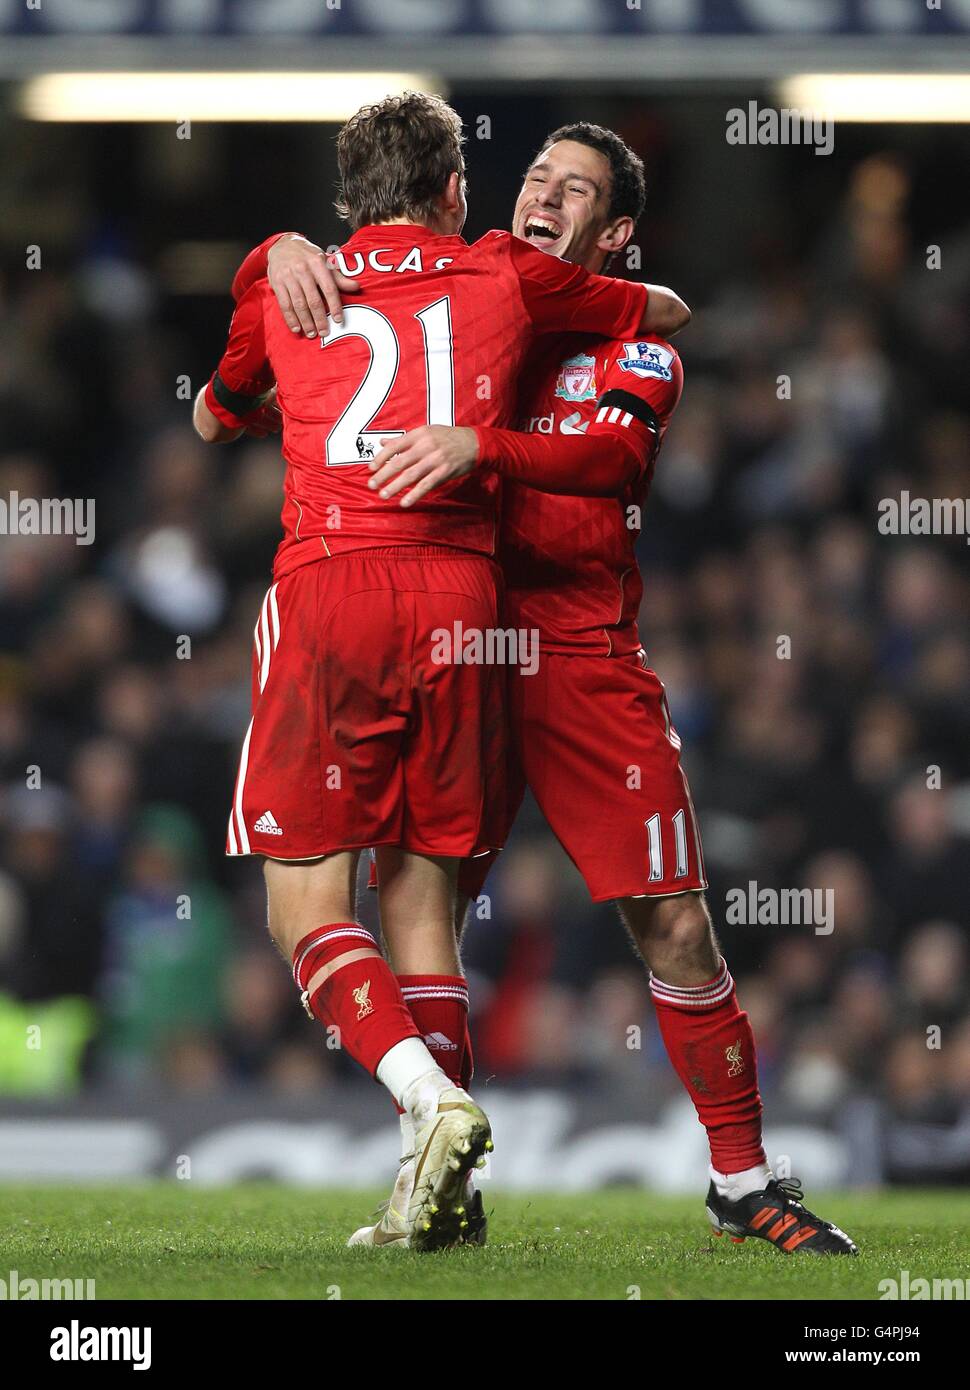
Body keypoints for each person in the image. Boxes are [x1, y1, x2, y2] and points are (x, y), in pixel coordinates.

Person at [249, 120, 858, 1256]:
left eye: (571, 189)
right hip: (453, 637)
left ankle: (740, 1178)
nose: (538, 197)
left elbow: (611, 460)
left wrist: (482, 445)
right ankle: (442, 1184)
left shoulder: (630, 347)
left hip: (579, 663)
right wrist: (284, 241)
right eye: (531, 176)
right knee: (419, 911)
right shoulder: (471, 287)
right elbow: (330, 297)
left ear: (613, 230)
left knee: (671, 921)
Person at [196, 94, 689, 1251]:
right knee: (420, 905)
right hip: (465, 603)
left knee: (303, 907)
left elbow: (220, 419)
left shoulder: (287, 283)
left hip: (333, 592)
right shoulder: (498, 276)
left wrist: (271, 260)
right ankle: (443, 1206)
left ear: (339, 201)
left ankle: (430, 1102)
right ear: (457, 194)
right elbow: (659, 306)